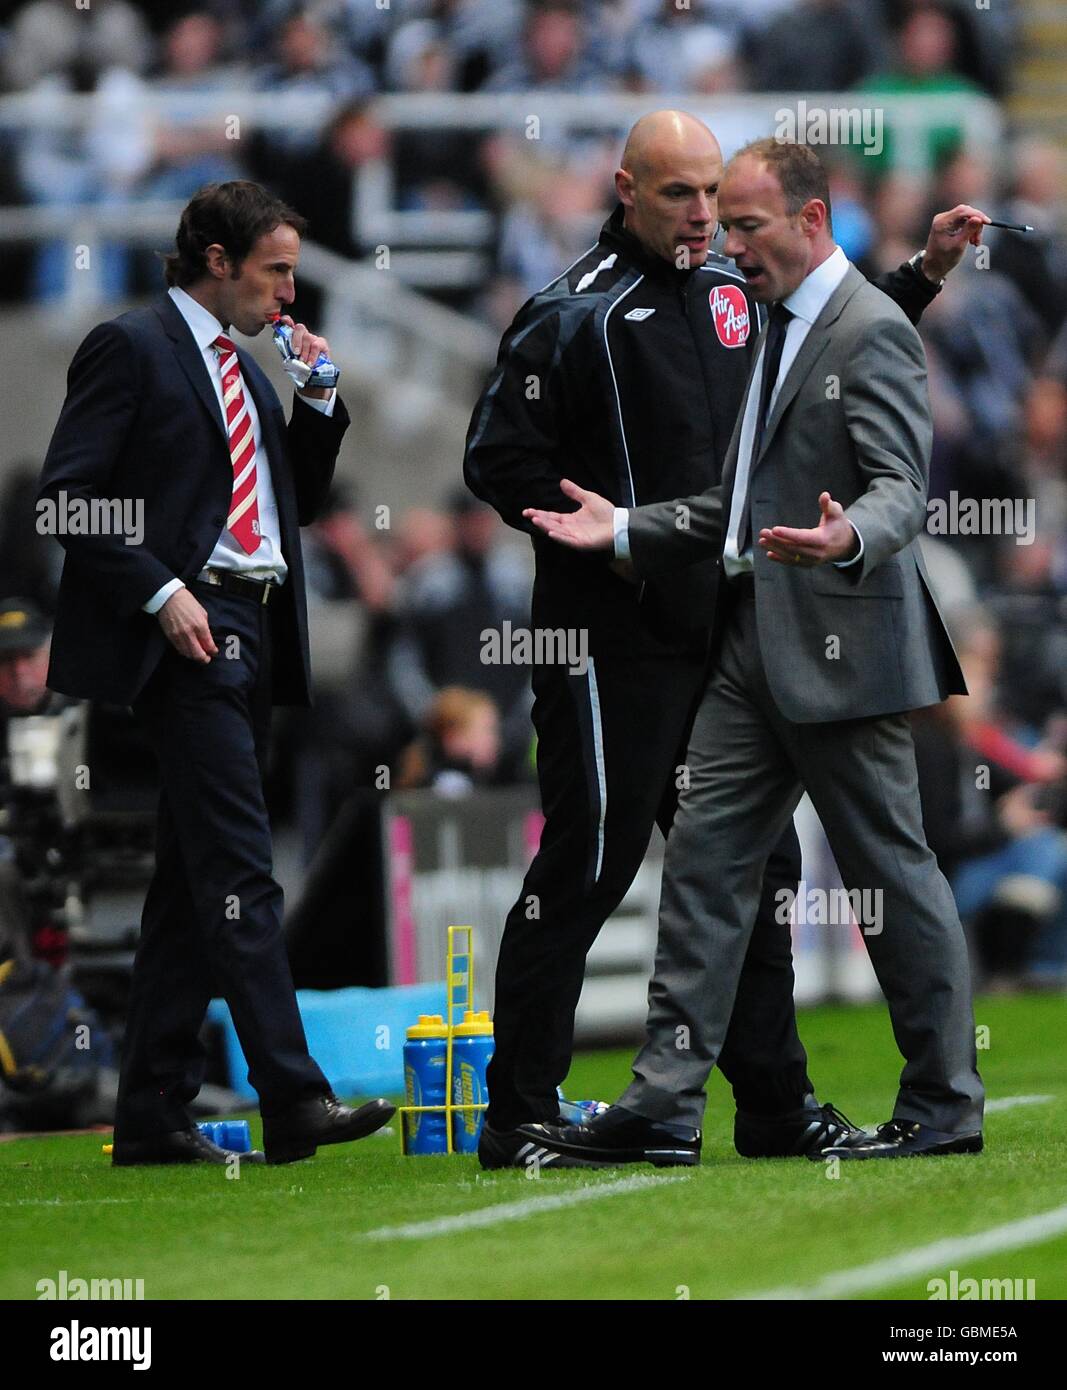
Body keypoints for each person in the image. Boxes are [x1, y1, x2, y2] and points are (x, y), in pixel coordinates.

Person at [464, 109, 986, 1169]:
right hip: (611, 645)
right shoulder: (573, 317)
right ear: (624, 189)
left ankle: (768, 1103)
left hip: (734, 634)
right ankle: (519, 1105)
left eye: (716, 198)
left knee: (748, 867)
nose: (704, 220)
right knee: (594, 858)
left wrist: (919, 279)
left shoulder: (732, 294)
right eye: (680, 197)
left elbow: (840, 342)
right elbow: (496, 460)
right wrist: (603, 541)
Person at [37, 180, 394, 1165]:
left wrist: (317, 402)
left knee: (196, 885)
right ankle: (293, 1093)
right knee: (242, 866)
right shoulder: (134, 347)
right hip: (188, 634)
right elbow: (65, 502)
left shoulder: (244, 369)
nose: (289, 290)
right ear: (218, 259)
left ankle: (151, 1110)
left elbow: (294, 508)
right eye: (275, 269)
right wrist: (159, 589)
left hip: (255, 626)